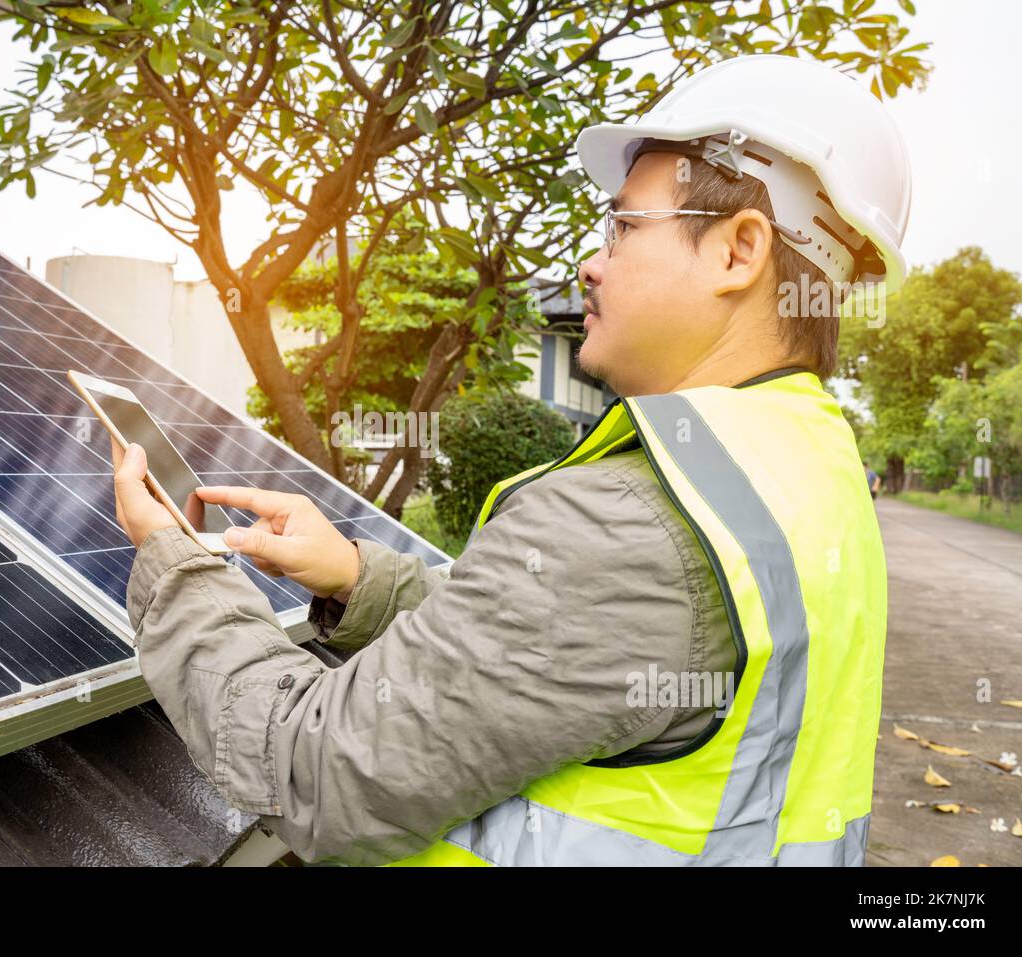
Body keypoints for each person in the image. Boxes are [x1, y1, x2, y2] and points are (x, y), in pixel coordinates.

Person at [108, 54, 911, 866]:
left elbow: (316, 773)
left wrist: (174, 563)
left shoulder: (628, 523)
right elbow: (556, 652)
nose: (592, 263)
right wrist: (357, 574)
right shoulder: (807, 468)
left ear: (739, 252)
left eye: (626, 226)